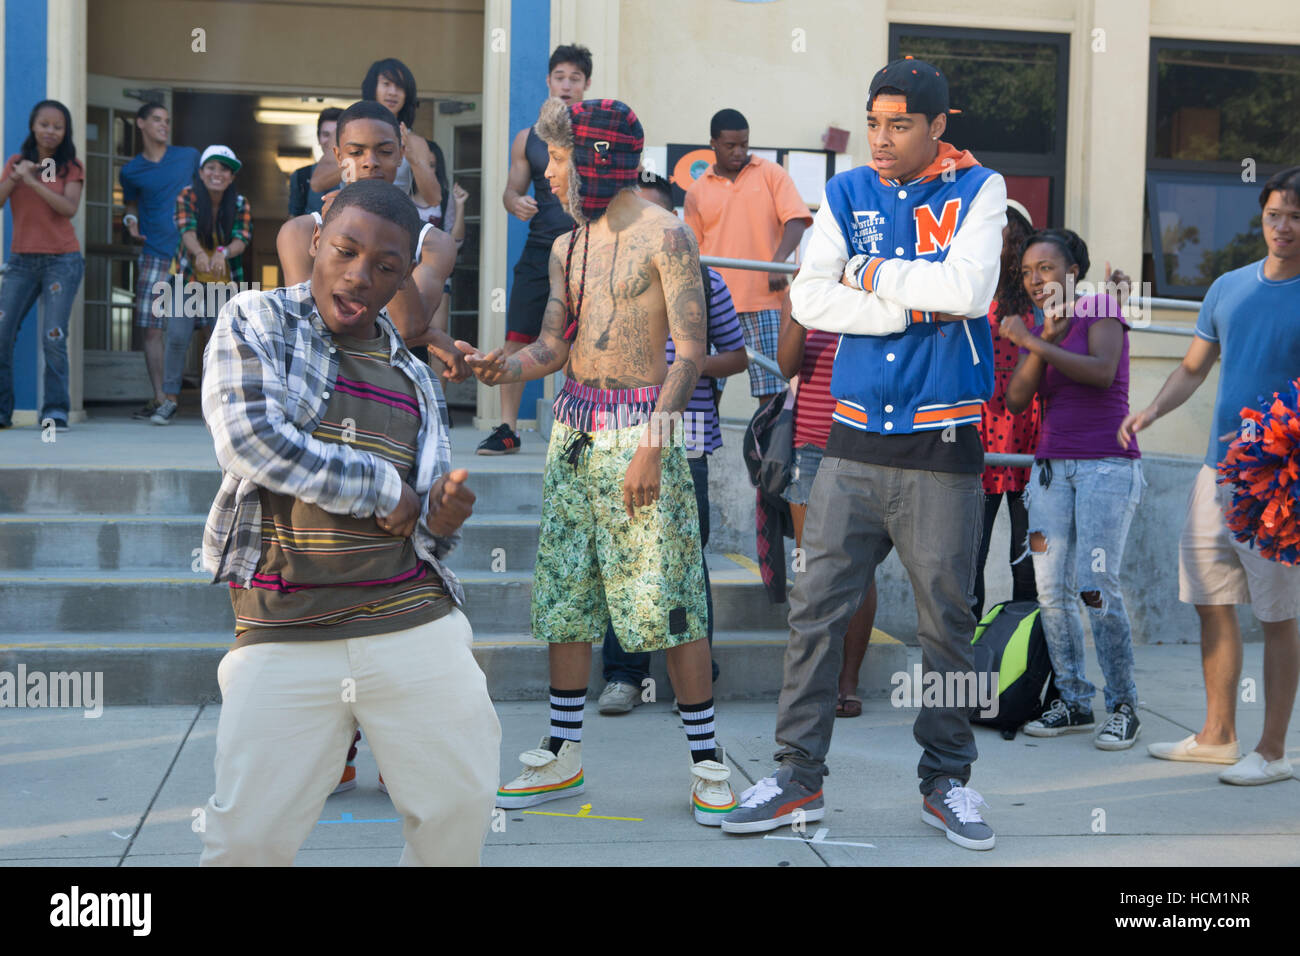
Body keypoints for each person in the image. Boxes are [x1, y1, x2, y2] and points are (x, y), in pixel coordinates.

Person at [720, 59, 1005, 851]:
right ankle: (795, 781)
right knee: (815, 613)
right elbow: (809, 298)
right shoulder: (845, 192)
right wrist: (910, 305)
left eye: (901, 125)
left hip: (941, 444)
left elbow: (972, 290)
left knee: (948, 625)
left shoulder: (980, 189)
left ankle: (947, 782)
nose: (881, 139)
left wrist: (872, 277)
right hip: (846, 445)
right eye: (873, 123)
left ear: (937, 127)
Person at [198, 179, 500, 866]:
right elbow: (249, 440)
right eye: (346, 250)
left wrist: (440, 514)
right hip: (287, 622)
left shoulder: (416, 375)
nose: (362, 276)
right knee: (246, 840)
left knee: (457, 811)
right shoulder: (256, 319)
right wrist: (379, 485)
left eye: (387, 267)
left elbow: (419, 521)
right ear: (314, 243)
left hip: (411, 615)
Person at [458, 97, 738, 826]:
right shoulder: (566, 245)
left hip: (644, 434)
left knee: (669, 598)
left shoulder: (667, 235)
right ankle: (563, 752)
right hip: (574, 433)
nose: (548, 174)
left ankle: (708, 761)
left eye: (558, 158)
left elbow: (692, 351)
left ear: (597, 160)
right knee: (566, 594)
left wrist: (652, 444)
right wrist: (507, 365)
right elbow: (556, 343)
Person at [1120, 166, 1300, 785]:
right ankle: (1219, 736)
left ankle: (1272, 751)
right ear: (1262, 216)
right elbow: (1194, 369)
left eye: (1296, 217)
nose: (1283, 226)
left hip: (1281, 482)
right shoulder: (1227, 287)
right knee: (1210, 599)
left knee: (1277, 614)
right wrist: (1148, 410)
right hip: (1215, 471)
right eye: (1275, 213)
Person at [596, 172, 748, 715]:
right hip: (618, 435)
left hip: (686, 441)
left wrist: (688, 363)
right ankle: (624, 675)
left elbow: (738, 356)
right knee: (625, 556)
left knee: (685, 558)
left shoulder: (707, 283)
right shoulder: (603, 277)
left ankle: (695, 676)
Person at [1000, 229, 1144, 749]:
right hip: (1052, 471)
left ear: (1071, 273)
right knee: (1051, 590)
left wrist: (1036, 340)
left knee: (1094, 585)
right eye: (1026, 272)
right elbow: (1017, 400)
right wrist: (1043, 339)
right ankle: (1074, 699)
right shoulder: (1046, 327)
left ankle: (1123, 702)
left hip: (1107, 465)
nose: (1035, 281)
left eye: (1045, 269)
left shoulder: (1103, 306)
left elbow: (1102, 373)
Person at [276, 101, 467, 381]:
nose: (370, 162)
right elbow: (310, 321)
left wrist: (396, 243)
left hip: (393, 392)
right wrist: (434, 335)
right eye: (356, 152)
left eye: (385, 151)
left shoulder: (434, 243)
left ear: (401, 154)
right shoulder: (301, 231)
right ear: (338, 156)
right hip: (320, 385)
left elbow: (407, 326)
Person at [478, 43, 589, 455]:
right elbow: (511, 191)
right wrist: (514, 202)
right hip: (540, 250)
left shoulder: (594, 135)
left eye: (574, 79)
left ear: (586, 85)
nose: (566, 85)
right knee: (518, 340)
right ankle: (508, 429)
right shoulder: (529, 137)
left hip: (586, 249)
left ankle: (581, 428)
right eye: (560, 77)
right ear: (548, 81)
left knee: (587, 341)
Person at [775, 308, 878, 719]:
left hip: (865, 445)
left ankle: (847, 681)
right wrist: (801, 307)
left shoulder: (878, 284)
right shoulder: (808, 287)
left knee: (861, 569)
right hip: (809, 449)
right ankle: (810, 679)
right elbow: (786, 366)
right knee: (811, 571)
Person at [683, 108, 812, 404]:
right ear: (713, 143)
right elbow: (693, 253)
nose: (739, 151)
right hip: (714, 304)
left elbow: (796, 220)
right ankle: (698, 451)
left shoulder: (771, 174)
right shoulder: (697, 191)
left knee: (773, 390)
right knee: (704, 388)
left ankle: (768, 452)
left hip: (764, 300)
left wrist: (779, 262)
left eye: (744, 144)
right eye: (730, 145)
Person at [150, 145, 251, 426]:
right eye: (212, 168)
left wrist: (223, 253)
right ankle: (169, 400)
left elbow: (242, 237)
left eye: (224, 170)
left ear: (231, 177)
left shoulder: (240, 203)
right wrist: (200, 254)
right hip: (187, 278)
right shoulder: (188, 195)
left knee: (220, 344)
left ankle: (218, 406)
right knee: (177, 337)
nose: (217, 174)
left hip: (222, 283)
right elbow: (186, 230)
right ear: (201, 172)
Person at [972, 200, 1039, 618]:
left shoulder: (1039, 299)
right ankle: (968, 655)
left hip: (1028, 432)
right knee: (969, 555)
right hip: (978, 429)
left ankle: (1026, 659)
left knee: (1027, 558)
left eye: (1009, 238)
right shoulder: (971, 288)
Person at [0, 100, 84, 431]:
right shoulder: (17, 162)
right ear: (34, 126)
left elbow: (68, 208)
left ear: (65, 132)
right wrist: (16, 177)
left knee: (53, 335)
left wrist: (33, 182)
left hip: (61, 260)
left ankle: (54, 411)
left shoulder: (70, 167)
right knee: (2, 333)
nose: (50, 131)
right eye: (44, 124)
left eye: (58, 126)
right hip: (21, 261)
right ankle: (2, 411)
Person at [119, 102, 200, 421]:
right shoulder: (131, 170)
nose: (164, 125)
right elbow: (130, 204)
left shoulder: (188, 157)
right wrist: (129, 220)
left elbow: (207, 193)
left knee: (193, 328)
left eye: (167, 120)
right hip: (153, 253)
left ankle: (188, 396)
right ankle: (159, 397)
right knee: (151, 329)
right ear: (140, 123)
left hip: (189, 255)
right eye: (156, 120)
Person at [310, 59, 438, 206]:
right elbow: (317, 183)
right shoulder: (345, 133)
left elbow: (433, 199)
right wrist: (355, 163)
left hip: (396, 219)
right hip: (351, 214)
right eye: (386, 84)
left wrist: (414, 160)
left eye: (400, 87)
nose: (393, 92)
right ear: (373, 87)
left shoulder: (415, 142)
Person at [288, 107, 341, 218]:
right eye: (326, 135)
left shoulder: (357, 174)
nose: (331, 141)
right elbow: (293, 219)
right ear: (318, 138)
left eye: (336, 136)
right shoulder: (301, 176)